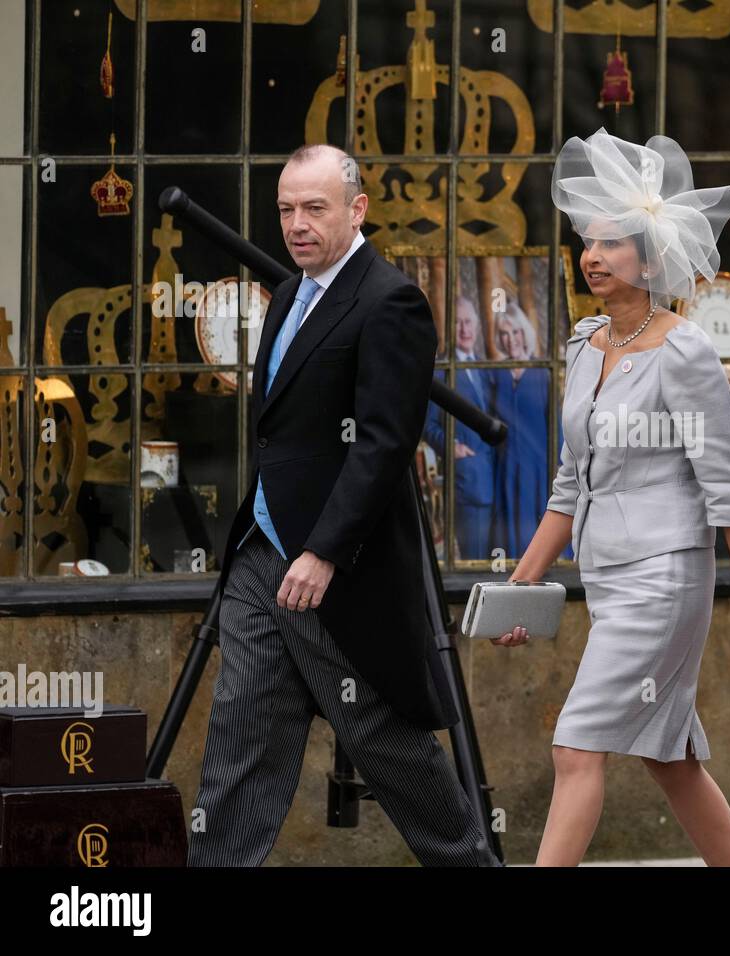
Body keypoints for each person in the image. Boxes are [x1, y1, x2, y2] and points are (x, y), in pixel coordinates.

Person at [189, 144, 498, 867]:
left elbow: (383, 446)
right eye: (287, 211)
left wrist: (325, 550)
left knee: (383, 738)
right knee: (243, 733)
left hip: (335, 567)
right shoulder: (291, 293)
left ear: (357, 209)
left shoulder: (388, 299)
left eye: (314, 209)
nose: (297, 225)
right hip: (261, 555)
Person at [496, 127, 730, 866]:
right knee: (670, 758)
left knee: (576, 744)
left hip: (664, 579)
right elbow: (570, 483)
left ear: (652, 259)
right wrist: (520, 585)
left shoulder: (683, 349)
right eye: (588, 243)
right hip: (606, 575)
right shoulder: (585, 343)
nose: (593, 256)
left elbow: (726, 483)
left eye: (613, 245)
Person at [424, 294, 496, 560]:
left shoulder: (485, 367)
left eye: (468, 322)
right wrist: (452, 447)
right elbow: (427, 425)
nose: (464, 329)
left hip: (497, 478)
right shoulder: (441, 370)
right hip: (469, 481)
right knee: (474, 562)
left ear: (477, 326)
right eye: (458, 323)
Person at [488, 302, 551, 558]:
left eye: (515, 332)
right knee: (507, 530)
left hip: (537, 466)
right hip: (505, 463)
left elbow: (554, 420)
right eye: (504, 333)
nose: (510, 339)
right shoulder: (495, 373)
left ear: (524, 333)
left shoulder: (542, 371)